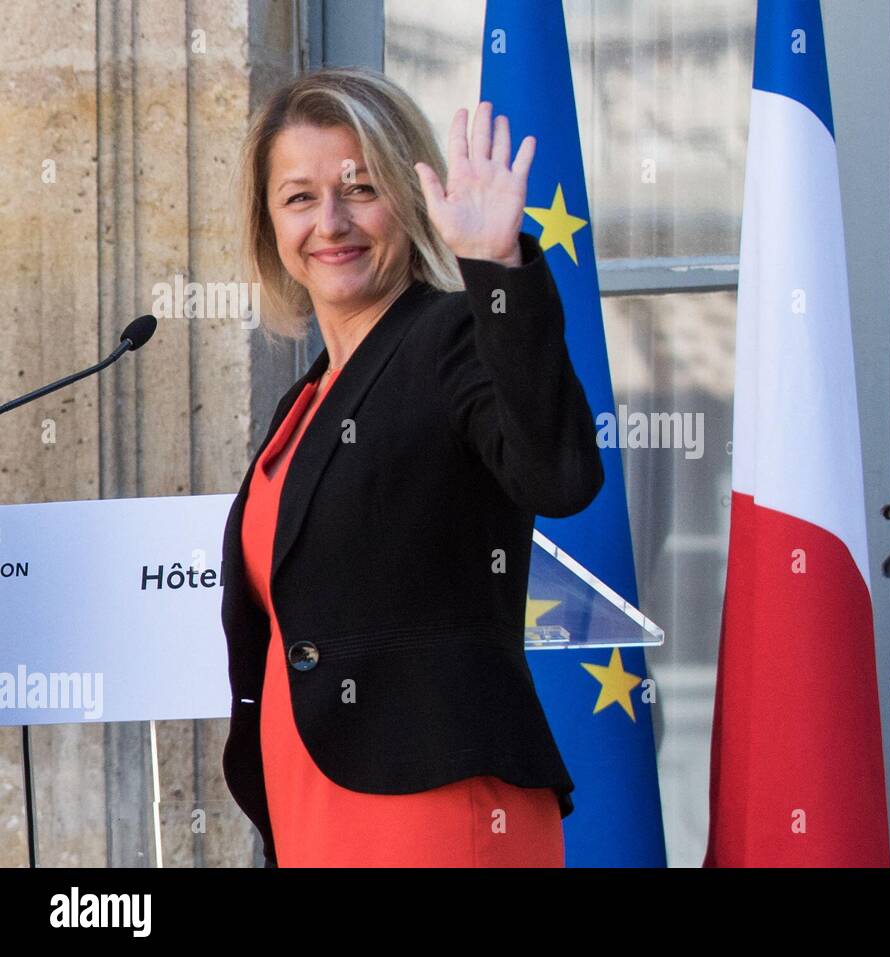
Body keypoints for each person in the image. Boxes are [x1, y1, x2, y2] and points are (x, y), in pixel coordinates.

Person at [219, 67, 603, 867]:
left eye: (360, 189)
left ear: (408, 193)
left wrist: (497, 270)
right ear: (268, 224)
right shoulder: (306, 399)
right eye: (298, 197)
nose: (330, 222)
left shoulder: (454, 335)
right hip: (311, 801)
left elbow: (558, 475)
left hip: (433, 804)